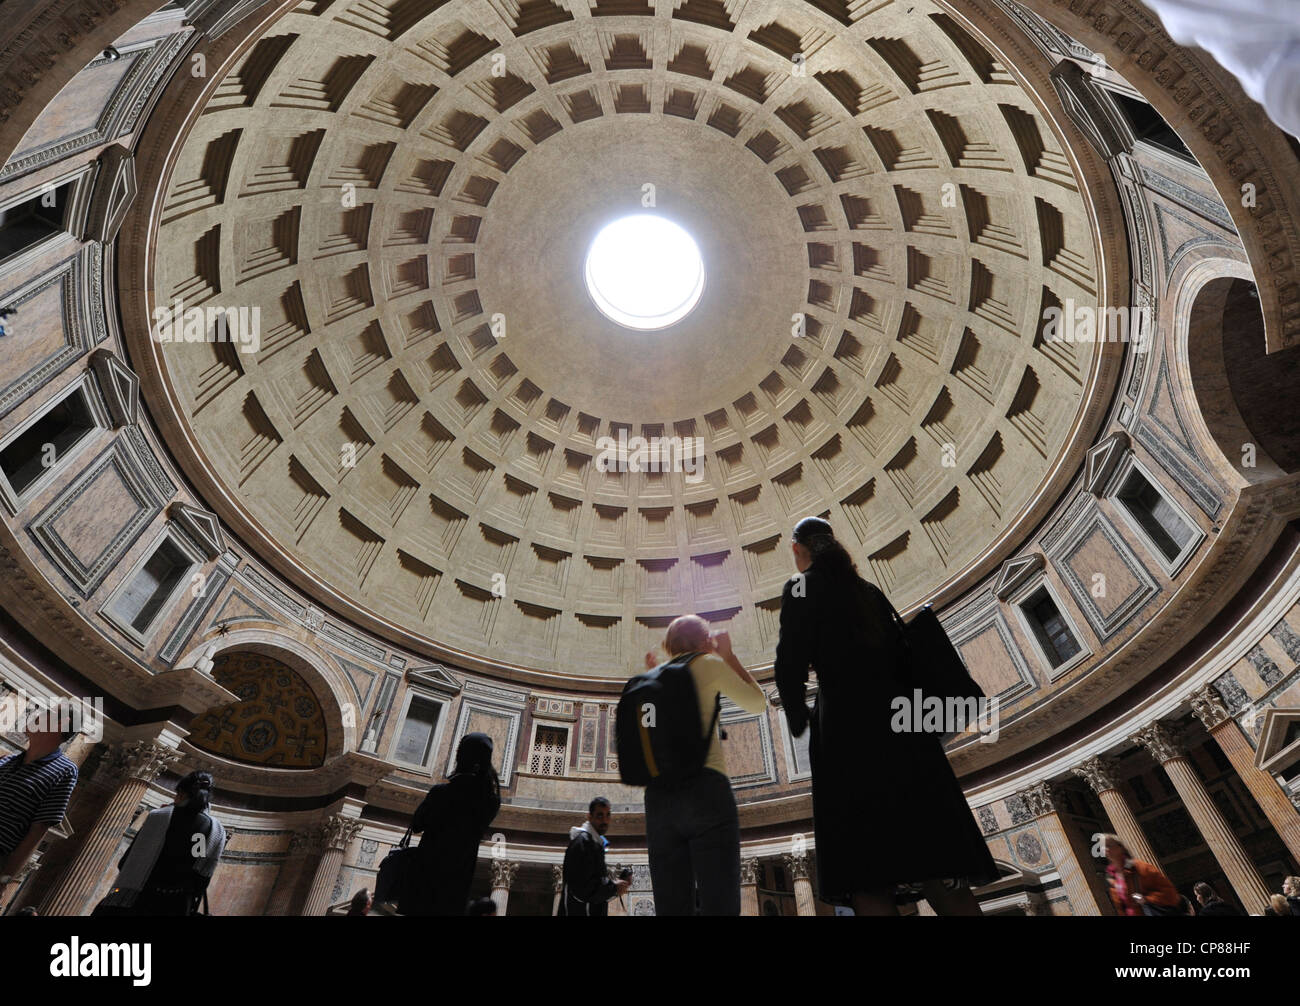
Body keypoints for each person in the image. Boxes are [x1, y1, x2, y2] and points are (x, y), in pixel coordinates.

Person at [773, 516, 997, 916]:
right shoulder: (867, 590)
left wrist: (796, 713)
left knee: (867, 871)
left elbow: (790, 661)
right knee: (938, 858)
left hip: (848, 733)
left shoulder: (802, 587)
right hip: (905, 732)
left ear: (797, 549)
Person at [641, 615, 766, 915]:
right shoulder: (708, 665)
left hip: (659, 799)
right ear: (701, 641)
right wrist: (728, 655)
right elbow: (757, 702)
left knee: (672, 908)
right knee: (720, 903)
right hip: (705, 791)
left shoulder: (653, 677)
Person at [94, 771, 225, 916]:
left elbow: (125, 862)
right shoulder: (211, 828)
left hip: (141, 899)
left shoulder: (159, 817)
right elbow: (200, 872)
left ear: (181, 792)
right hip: (177, 905)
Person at [403, 732, 501, 916]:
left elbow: (417, 824)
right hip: (456, 886)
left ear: (461, 756)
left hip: (424, 881)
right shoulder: (490, 802)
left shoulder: (441, 793)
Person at [0, 715, 78, 886]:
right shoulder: (7, 761)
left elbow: (38, 830)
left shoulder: (65, 771)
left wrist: (5, 878)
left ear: (61, 723)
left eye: (47, 713)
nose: (36, 716)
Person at [559, 796, 630, 916]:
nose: (605, 820)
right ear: (589, 816)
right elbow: (583, 889)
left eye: (608, 815)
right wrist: (613, 888)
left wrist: (615, 886)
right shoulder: (583, 843)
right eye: (600, 815)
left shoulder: (594, 843)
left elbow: (595, 887)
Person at [1101, 834, 1180, 916]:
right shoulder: (1111, 877)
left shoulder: (1141, 867)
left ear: (1121, 848)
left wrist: (1146, 899)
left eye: (1108, 845)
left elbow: (1171, 894)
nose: (1105, 849)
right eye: (1102, 847)